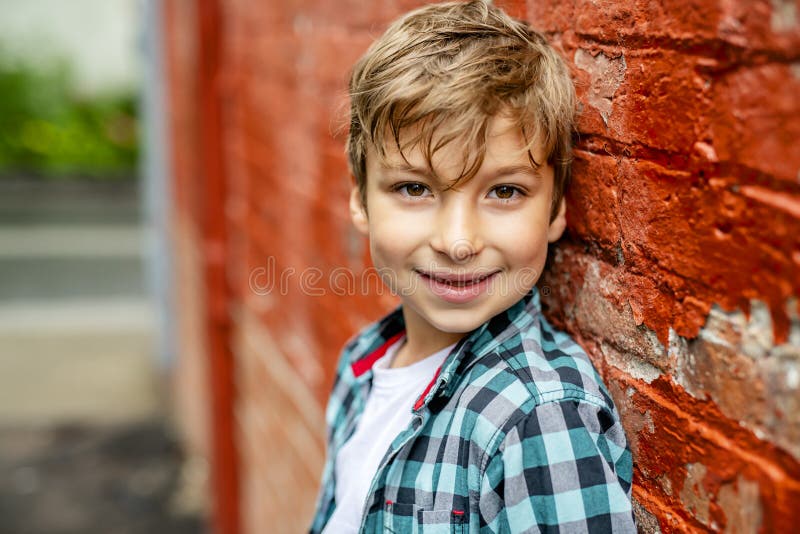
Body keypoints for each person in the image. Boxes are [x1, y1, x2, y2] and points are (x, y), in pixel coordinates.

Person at [310, 1, 635, 532]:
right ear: (361, 201)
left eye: (504, 191)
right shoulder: (363, 363)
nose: (458, 242)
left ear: (556, 210)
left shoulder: (535, 422)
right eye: (414, 188)